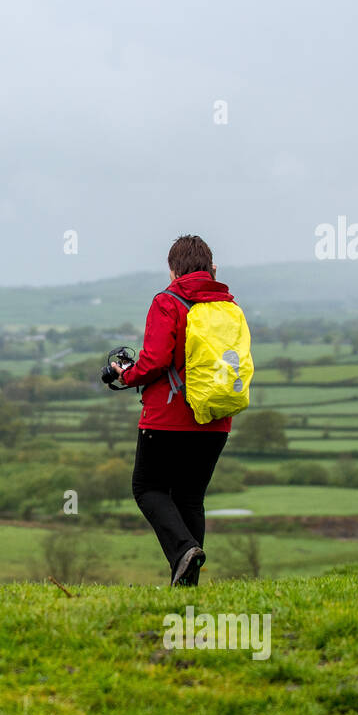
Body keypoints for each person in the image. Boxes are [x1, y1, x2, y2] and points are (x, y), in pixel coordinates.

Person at [111, 235, 238, 586]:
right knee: (190, 497)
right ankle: (186, 583)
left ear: (172, 270)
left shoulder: (167, 302)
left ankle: (183, 549)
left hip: (168, 418)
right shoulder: (227, 305)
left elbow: (154, 360)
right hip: (216, 418)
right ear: (211, 268)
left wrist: (126, 376)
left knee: (147, 487)